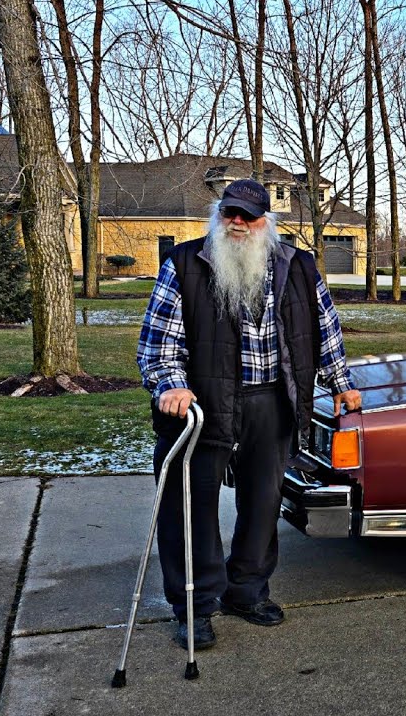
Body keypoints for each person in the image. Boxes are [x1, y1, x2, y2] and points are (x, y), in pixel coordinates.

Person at [137, 178, 361, 650]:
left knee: (262, 504)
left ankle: (247, 591)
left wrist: (340, 383)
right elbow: (160, 340)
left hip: (272, 400)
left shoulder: (298, 266)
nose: (236, 223)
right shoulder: (185, 263)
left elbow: (325, 327)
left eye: (247, 216)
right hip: (201, 403)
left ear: (266, 222)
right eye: (228, 213)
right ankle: (195, 605)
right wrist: (170, 384)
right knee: (190, 507)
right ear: (218, 215)